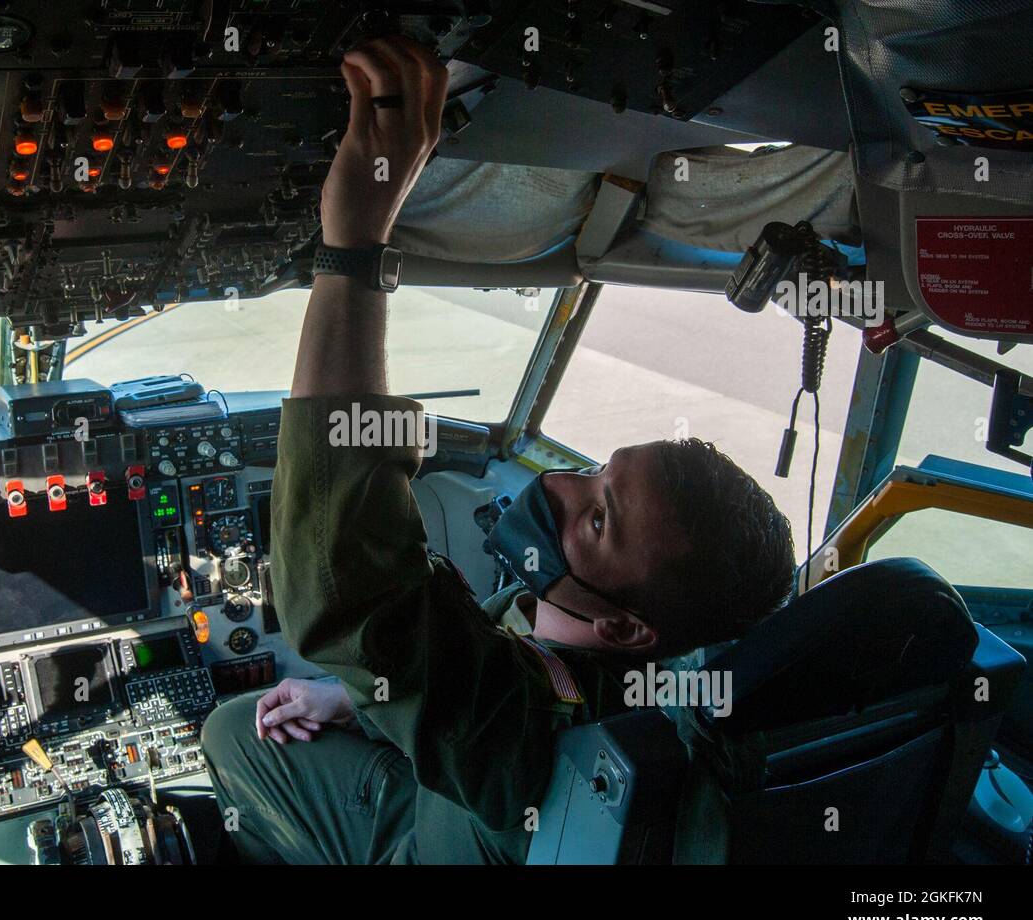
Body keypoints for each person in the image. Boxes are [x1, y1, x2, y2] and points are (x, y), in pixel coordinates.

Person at [201, 35, 796, 864]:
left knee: (230, 730)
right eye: (594, 472)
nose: (558, 487)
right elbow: (446, 673)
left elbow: (351, 590)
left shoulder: (534, 743)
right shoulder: (663, 680)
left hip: (428, 839)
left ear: (627, 627)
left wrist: (357, 236)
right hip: (451, 800)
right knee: (280, 713)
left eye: (595, 519)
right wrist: (354, 695)